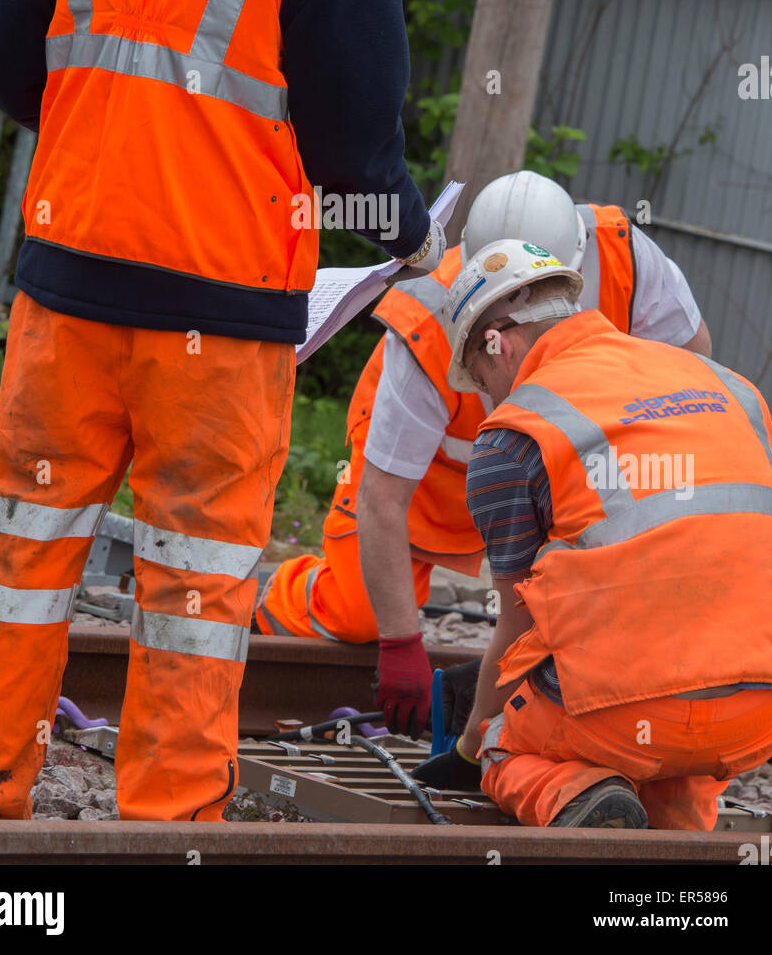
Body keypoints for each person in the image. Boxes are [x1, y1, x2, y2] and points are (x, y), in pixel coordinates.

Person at [0, 0, 444, 822]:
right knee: (195, 587)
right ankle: (165, 830)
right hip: (221, 320)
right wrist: (416, 238)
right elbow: (355, 155)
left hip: (65, 296)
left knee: (19, 550)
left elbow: (7, 59)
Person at [255, 171, 711, 739]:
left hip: (564, 467)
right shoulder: (425, 325)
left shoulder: (628, 262)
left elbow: (693, 372)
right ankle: (274, 593)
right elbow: (382, 500)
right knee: (357, 612)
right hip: (433, 479)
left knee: (569, 614)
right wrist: (399, 642)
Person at [411, 240, 772, 829]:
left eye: (481, 378)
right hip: (758, 713)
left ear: (496, 343)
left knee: (504, 740)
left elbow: (517, 623)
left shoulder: (515, 433)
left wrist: (472, 741)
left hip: (623, 717)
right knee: (669, 759)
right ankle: (672, 841)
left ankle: (578, 793)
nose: (489, 397)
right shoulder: (732, 388)